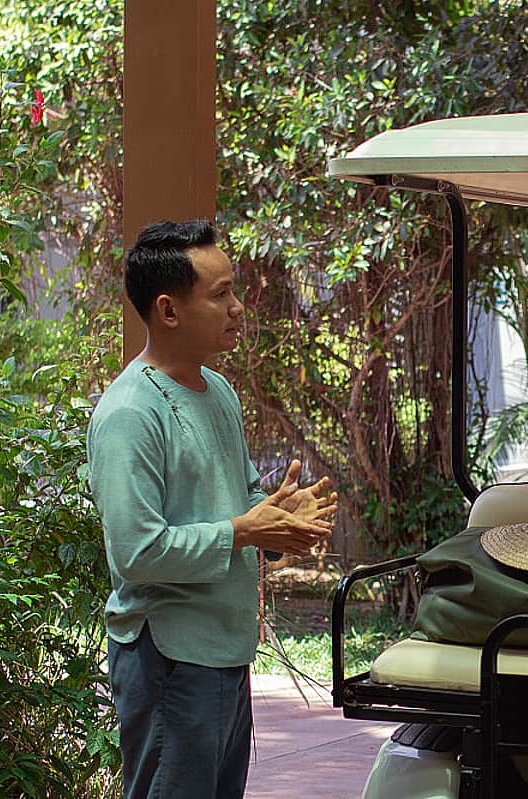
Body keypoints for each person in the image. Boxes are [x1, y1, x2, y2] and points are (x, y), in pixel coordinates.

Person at [87, 219, 337, 799]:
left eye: (234, 290)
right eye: (221, 294)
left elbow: (245, 504)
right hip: (168, 657)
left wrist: (282, 518)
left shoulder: (217, 391)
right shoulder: (131, 412)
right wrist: (245, 529)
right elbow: (137, 551)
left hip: (222, 651)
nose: (239, 308)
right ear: (168, 310)